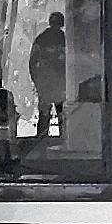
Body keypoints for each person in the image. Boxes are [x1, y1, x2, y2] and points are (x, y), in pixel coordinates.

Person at [28, 9, 70, 143]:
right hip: (60, 83)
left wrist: (37, 81)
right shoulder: (65, 39)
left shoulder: (41, 39)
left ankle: (41, 141)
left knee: (44, 114)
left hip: (45, 83)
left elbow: (32, 63)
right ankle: (65, 140)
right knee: (62, 114)